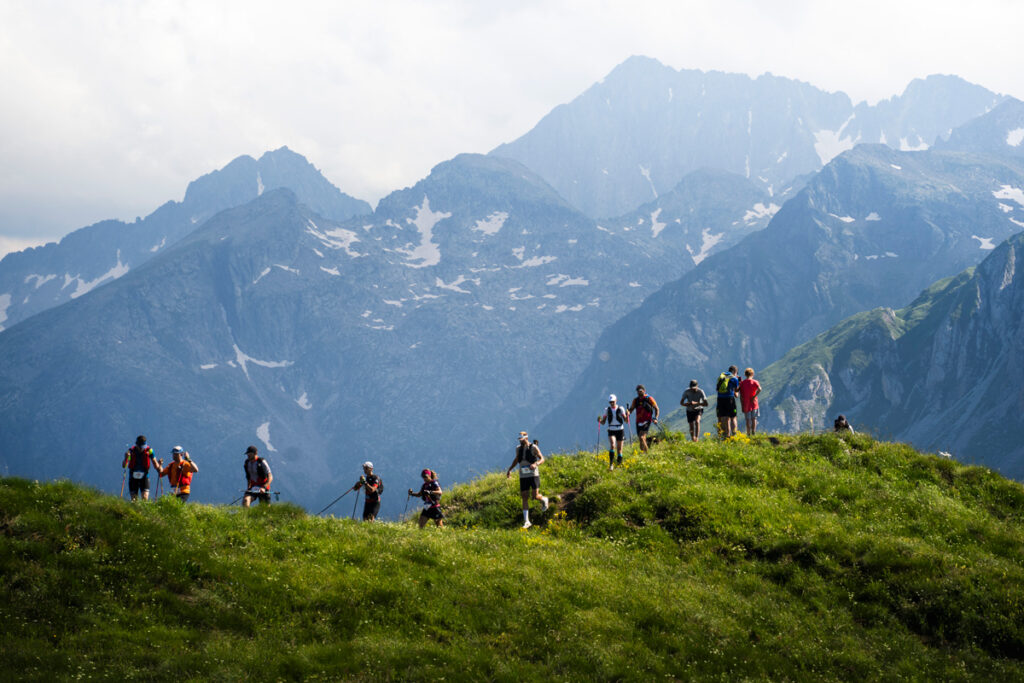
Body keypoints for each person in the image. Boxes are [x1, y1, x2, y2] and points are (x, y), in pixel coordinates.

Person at [506, 432, 549, 529]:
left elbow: (542, 459)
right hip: (523, 475)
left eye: (522, 439)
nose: (520, 441)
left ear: (526, 438)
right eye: (519, 439)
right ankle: (527, 521)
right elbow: (517, 459)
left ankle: (544, 499)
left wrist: (536, 464)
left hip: (533, 475)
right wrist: (510, 469)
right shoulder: (518, 449)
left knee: (534, 496)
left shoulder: (533, 447)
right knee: (524, 496)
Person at [122, 435, 159, 501]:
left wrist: (158, 465)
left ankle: (144, 511)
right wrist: (126, 458)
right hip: (133, 477)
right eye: (141, 447)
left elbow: (155, 464)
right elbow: (124, 465)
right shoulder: (131, 451)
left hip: (144, 477)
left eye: (143, 447)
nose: (142, 448)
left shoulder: (149, 451)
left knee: (145, 498)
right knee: (134, 499)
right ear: (137, 445)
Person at [597, 394, 629, 469]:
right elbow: (603, 422)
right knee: (612, 445)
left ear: (616, 400)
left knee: (619, 449)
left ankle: (618, 464)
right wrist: (599, 420)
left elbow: (626, 421)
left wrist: (627, 415)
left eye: (613, 402)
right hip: (611, 429)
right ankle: (611, 464)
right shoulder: (607, 410)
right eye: (610, 402)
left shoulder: (621, 409)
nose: (612, 403)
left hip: (620, 429)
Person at [627, 385, 660, 452]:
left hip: (647, 421)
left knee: (642, 438)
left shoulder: (649, 399)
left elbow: (656, 408)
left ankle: (647, 454)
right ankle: (644, 452)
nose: (640, 392)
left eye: (641, 391)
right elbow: (631, 409)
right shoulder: (635, 400)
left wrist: (656, 418)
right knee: (641, 440)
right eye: (638, 391)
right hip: (638, 422)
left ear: (644, 391)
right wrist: (628, 412)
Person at [716, 366, 740, 438]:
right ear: (735, 372)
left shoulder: (721, 376)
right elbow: (736, 394)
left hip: (720, 399)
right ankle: (734, 435)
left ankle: (725, 435)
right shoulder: (734, 378)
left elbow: (717, 389)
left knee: (723, 417)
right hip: (729, 399)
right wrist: (738, 382)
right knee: (733, 417)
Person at [738, 368, 762, 436]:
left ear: (745, 374)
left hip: (746, 403)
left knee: (748, 420)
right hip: (754, 403)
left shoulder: (742, 383)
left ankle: (748, 433)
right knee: (754, 418)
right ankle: (753, 432)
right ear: (752, 374)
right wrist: (754, 396)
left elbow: (741, 395)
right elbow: (760, 389)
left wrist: (742, 405)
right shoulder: (755, 382)